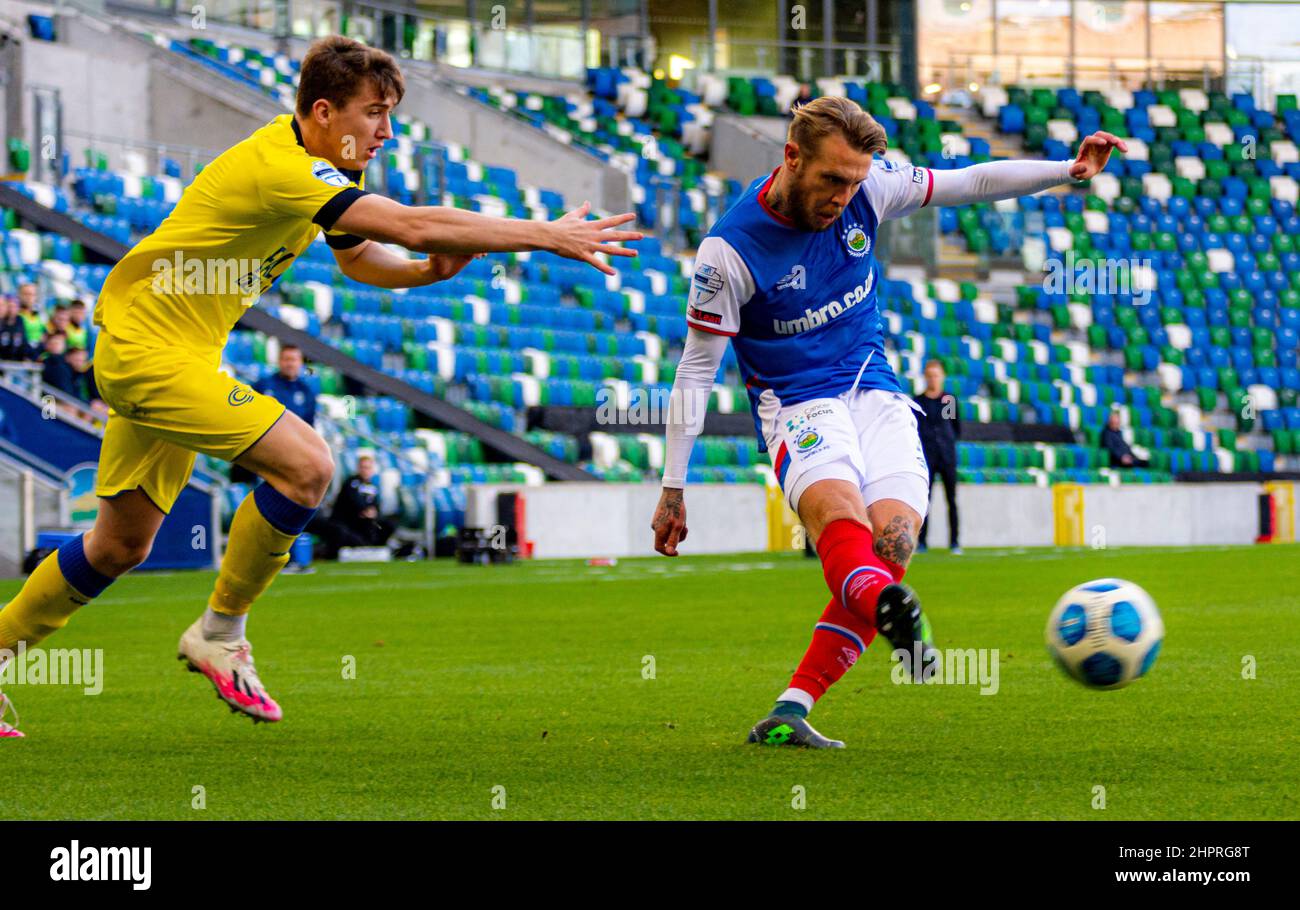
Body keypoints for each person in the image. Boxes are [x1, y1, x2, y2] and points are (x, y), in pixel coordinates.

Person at [0, 34, 642, 738]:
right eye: (375, 114)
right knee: (309, 466)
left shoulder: (317, 165)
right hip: (150, 352)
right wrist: (542, 234)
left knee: (119, 545)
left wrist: (429, 273)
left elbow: (364, 256)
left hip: (171, 353)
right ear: (326, 111)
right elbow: (409, 223)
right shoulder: (283, 167)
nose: (386, 133)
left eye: (392, 115)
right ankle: (220, 632)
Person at [651, 95, 1123, 748]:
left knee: (894, 545)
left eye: (854, 181)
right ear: (792, 157)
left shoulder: (871, 187)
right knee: (840, 518)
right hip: (795, 402)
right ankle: (893, 620)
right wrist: (674, 484)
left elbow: (973, 181)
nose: (845, 195)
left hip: (875, 389)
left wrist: (1067, 171)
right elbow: (695, 370)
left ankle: (793, 708)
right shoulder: (727, 252)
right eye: (833, 180)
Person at [914, 359, 961, 554]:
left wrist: (947, 444)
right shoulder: (918, 402)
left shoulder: (947, 400)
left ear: (942, 377)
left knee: (951, 498)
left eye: (936, 375)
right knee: (925, 500)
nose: (933, 379)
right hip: (927, 457)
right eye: (930, 375)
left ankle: (954, 542)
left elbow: (953, 427)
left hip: (947, 456)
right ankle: (922, 541)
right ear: (925, 377)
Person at [313, 453, 394, 559]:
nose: (365, 470)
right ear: (358, 468)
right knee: (347, 534)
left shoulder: (373, 486)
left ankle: (375, 547)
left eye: (368, 468)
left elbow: (376, 506)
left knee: (388, 524)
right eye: (363, 467)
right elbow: (356, 503)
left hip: (364, 522)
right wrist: (366, 510)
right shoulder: (351, 483)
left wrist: (374, 513)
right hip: (347, 523)